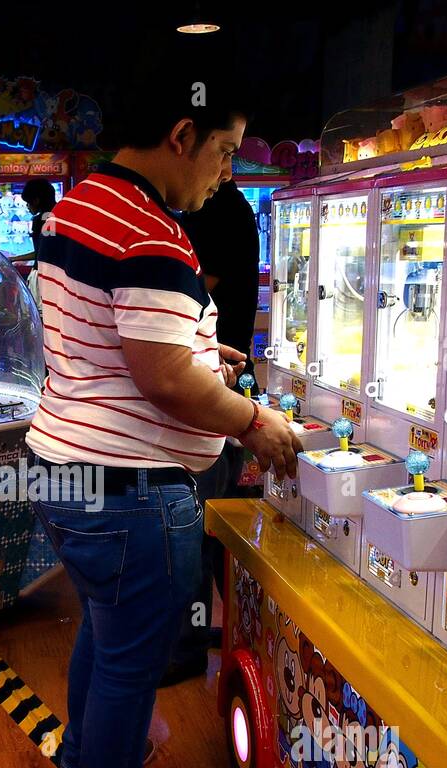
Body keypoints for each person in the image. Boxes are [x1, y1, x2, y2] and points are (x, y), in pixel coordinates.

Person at [26, 61, 303, 768]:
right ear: (182, 135)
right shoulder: (148, 231)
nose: (226, 174)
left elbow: (122, 341)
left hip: (65, 464)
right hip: (128, 485)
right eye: (224, 151)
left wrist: (189, 343)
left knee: (107, 631)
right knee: (133, 651)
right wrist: (254, 422)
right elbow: (167, 379)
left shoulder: (81, 205)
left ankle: (85, 759)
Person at [164, 178, 263, 686]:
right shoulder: (225, 207)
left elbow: (204, 286)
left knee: (198, 523)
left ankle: (187, 645)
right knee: (209, 524)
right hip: (222, 381)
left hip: (216, 389)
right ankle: (214, 634)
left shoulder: (218, 209)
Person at [10, 177, 57, 265]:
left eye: (28, 202)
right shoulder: (57, 214)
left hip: (45, 271)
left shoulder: (44, 219)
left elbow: (42, 252)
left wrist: (13, 259)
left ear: (36, 201)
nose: (27, 207)